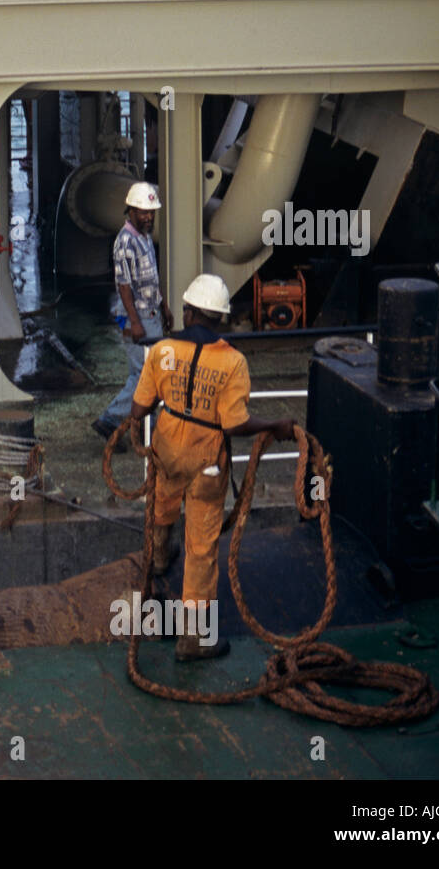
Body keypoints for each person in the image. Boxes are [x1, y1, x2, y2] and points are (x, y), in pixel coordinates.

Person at [129, 274, 296, 661]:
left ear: (187, 312)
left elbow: (139, 409)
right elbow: (235, 424)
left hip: (167, 448)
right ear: (220, 319)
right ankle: (193, 638)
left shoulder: (161, 350)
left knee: (162, 499)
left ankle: (156, 556)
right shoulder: (234, 362)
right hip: (207, 463)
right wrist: (276, 426)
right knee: (201, 550)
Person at [93, 181, 172, 446]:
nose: (148, 217)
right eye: (143, 212)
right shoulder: (125, 242)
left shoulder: (145, 237)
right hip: (134, 317)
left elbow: (149, 278)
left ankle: (143, 426)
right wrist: (134, 323)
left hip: (149, 314)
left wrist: (164, 307)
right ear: (131, 211)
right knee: (144, 375)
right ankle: (111, 419)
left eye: (151, 212)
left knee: (147, 373)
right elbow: (124, 286)